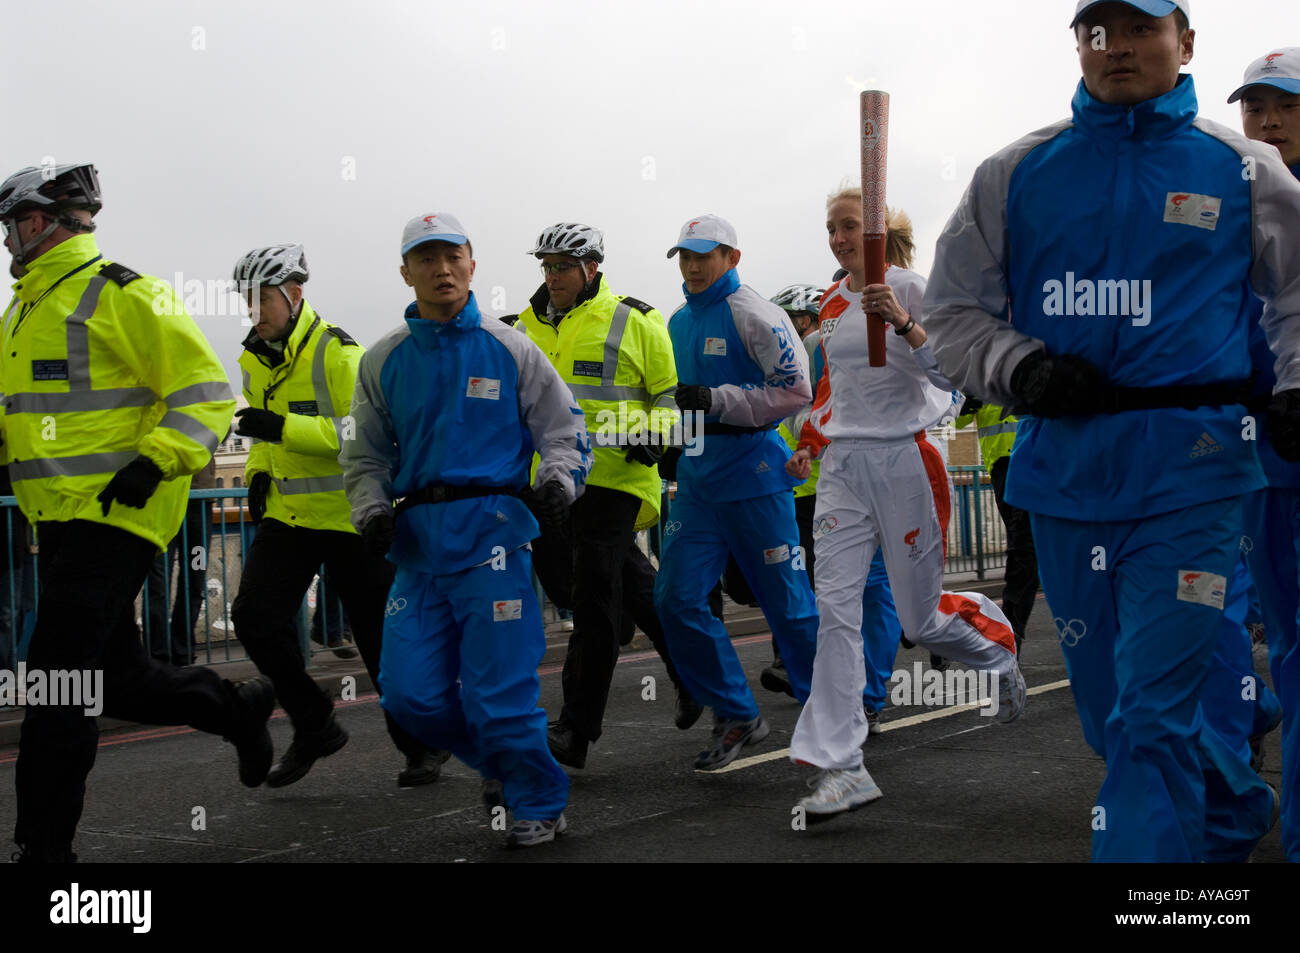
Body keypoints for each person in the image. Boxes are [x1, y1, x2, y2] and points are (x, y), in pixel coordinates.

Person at [924, 1, 1300, 861]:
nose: (1117, 47)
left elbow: (1296, 290)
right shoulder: (1013, 172)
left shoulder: (1240, 168)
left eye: (1140, 29)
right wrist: (1020, 368)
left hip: (1195, 472)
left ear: (1185, 43)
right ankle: (1234, 805)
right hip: (1065, 478)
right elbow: (950, 311)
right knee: (1108, 712)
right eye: (1099, 31)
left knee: (1151, 714)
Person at [0, 162, 272, 863]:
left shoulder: (122, 292)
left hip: (119, 515)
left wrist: (155, 459)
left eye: (9, 225)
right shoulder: (25, 309)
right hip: (55, 519)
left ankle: (44, 850)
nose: (5, 240)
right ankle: (234, 707)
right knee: (117, 677)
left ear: (36, 221)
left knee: (56, 675)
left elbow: (207, 392)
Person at [342, 212, 591, 848]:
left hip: (495, 541)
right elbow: (364, 455)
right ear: (406, 272)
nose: (442, 269)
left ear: (473, 265)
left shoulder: (510, 348)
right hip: (418, 549)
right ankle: (505, 768)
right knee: (408, 698)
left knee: (499, 700)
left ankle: (538, 799)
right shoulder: (383, 360)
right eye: (427, 259)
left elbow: (563, 428)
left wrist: (561, 483)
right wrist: (369, 509)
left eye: (453, 256)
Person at [786, 193, 1021, 820]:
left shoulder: (914, 288)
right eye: (831, 227)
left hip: (906, 460)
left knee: (918, 621)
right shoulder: (832, 304)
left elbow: (953, 379)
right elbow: (834, 389)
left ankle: (994, 645)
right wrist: (811, 443)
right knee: (835, 609)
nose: (837, 238)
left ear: (879, 232)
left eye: (850, 227)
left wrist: (903, 324)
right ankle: (842, 766)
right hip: (843, 468)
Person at [229, 243, 443, 789]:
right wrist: (256, 468)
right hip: (291, 519)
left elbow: (369, 437)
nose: (254, 312)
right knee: (253, 616)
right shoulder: (252, 356)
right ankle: (314, 721)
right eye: (246, 302)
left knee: (379, 642)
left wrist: (282, 429)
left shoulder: (340, 354)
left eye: (261, 300)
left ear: (294, 294)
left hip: (352, 521)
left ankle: (420, 747)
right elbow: (257, 430)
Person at [516, 223, 700, 768]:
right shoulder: (522, 327)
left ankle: (575, 731)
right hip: (552, 483)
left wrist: (656, 434)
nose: (552, 277)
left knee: (594, 597)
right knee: (625, 586)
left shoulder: (636, 320)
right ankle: (694, 678)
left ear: (591, 268)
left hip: (615, 479)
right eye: (546, 267)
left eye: (562, 267)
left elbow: (670, 400)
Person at [653, 213, 819, 771]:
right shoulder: (676, 321)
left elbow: (797, 391)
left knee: (788, 607)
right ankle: (736, 713)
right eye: (685, 256)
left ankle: (838, 707)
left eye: (705, 255)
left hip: (754, 473)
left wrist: (719, 401)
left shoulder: (756, 314)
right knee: (675, 599)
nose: (693, 266)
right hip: (699, 480)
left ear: (732, 258)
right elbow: (677, 398)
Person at [765, 282, 902, 738]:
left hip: (884, 476)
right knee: (836, 591)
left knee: (875, 589)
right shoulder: (814, 344)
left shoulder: (901, 315)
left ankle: (868, 696)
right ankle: (846, 694)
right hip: (824, 485)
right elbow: (819, 402)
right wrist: (809, 446)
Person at [1232, 46, 1300, 861]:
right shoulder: (1226, 206)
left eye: (1284, 105)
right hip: (1250, 456)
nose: (1269, 121)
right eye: (1254, 107)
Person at [953, 398, 1039, 654]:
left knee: (1024, 547)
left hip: (1034, 458)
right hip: (1002, 467)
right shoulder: (979, 378)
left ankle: (1010, 632)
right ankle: (1008, 632)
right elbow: (956, 421)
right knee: (1025, 547)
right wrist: (970, 400)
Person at [144, 457, 215, 666]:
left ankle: (181, 649)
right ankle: (157, 654)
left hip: (199, 505)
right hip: (162, 502)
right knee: (158, 585)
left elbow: (220, 430)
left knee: (195, 579)